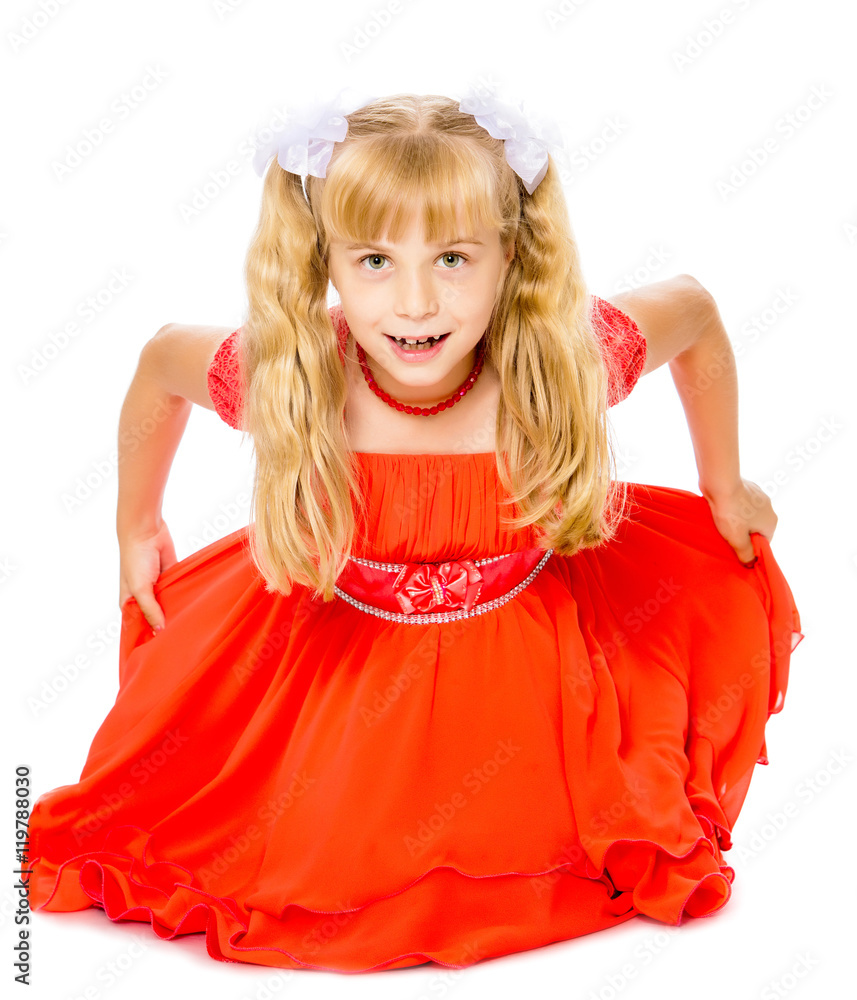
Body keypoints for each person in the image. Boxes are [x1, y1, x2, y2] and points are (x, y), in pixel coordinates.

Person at [27, 90, 804, 974]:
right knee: (289, 846)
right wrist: (137, 526)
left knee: (554, 825)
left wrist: (723, 483)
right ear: (327, 261)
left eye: (453, 258)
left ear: (510, 254)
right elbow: (161, 360)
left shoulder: (555, 361)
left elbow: (695, 313)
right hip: (339, 654)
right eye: (373, 260)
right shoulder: (299, 377)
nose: (414, 301)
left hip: (526, 662)